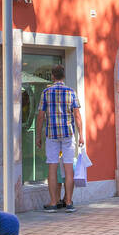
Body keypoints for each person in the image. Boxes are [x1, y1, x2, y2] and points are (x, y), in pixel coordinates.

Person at [37, 64, 83, 213]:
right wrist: (81, 134)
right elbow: (77, 115)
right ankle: (69, 202)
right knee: (69, 168)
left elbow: (40, 116)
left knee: (52, 167)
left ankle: (53, 202)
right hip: (68, 134)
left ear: (52, 76)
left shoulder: (46, 92)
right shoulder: (71, 92)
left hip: (52, 134)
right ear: (64, 76)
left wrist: (38, 135)